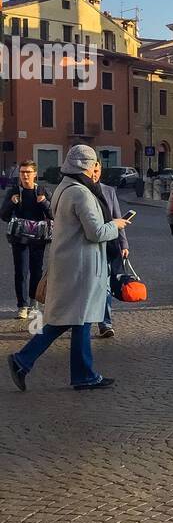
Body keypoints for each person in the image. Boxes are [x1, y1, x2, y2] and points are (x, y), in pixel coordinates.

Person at [7, 144, 131, 392]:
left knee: (67, 320)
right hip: (81, 266)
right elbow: (95, 232)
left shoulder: (63, 188)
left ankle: (25, 361)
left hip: (69, 263)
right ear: (85, 166)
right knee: (81, 318)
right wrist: (116, 224)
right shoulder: (81, 193)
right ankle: (80, 374)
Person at [2, 160, 53, 319]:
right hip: (19, 239)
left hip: (38, 239)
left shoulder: (43, 191)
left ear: (35, 174)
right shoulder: (13, 192)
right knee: (21, 272)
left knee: (36, 271)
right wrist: (11, 204)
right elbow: (3, 215)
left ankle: (33, 303)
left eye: (28, 172)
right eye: (22, 172)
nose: (24, 175)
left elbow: (54, 214)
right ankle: (22, 306)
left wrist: (44, 202)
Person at [91, 159, 129, 338]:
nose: (94, 173)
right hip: (88, 247)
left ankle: (105, 323)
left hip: (108, 246)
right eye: (92, 169)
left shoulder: (109, 191)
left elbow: (118, 218)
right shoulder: (80, 191)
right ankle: (79, 322)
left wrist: (123, 244)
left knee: (106, 287)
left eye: (97, 170)